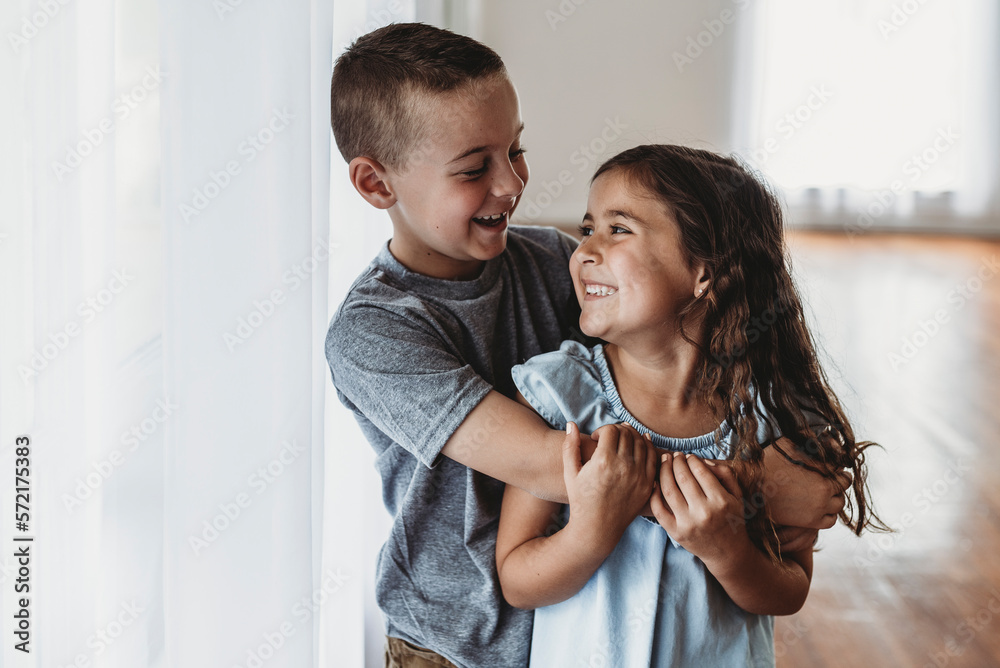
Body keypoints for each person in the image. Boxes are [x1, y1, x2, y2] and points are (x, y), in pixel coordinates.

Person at [326, 23, 850, 668]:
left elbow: (675, 322)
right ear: (378, 185)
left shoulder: (557, 262)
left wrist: (794, 444)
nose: (511, 185)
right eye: (473, 168)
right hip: (458, 646)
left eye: (515, 149)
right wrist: (756, 483)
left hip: (594, 633)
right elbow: (561, 464)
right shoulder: (374, 333)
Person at [495, 144, 883, 667]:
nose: (585, 250)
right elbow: (518, 578)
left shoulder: (772, 416)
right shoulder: (561, 393)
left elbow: (790, 590)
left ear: (705, 272)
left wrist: (730, 551)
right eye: (588, 229)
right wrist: (591, 532)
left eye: (619, 229)